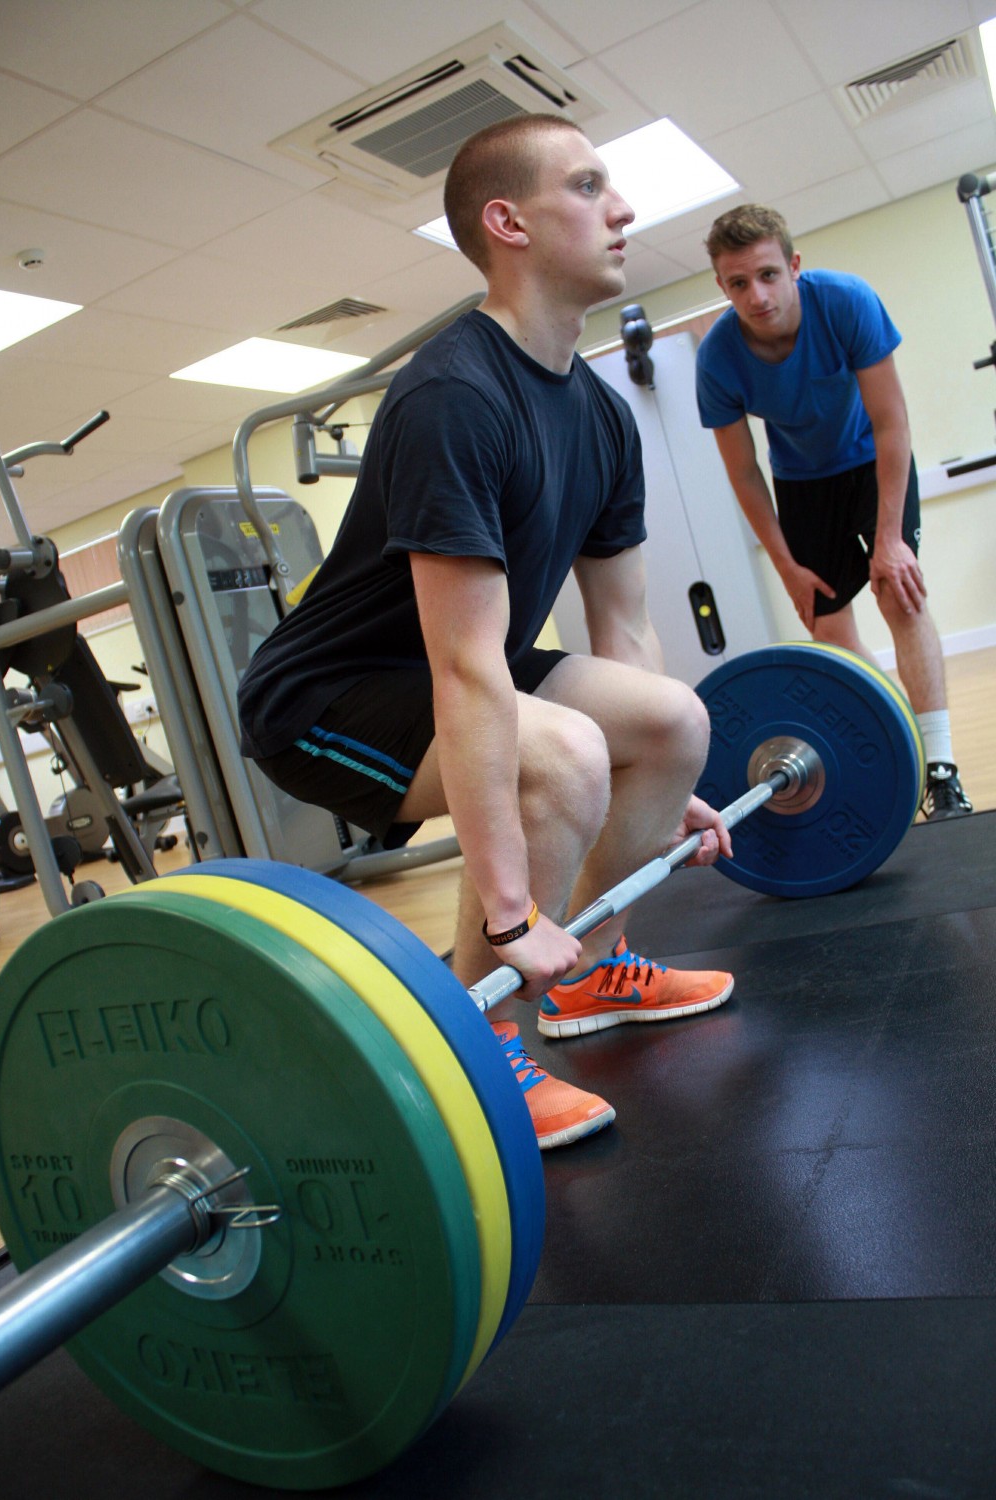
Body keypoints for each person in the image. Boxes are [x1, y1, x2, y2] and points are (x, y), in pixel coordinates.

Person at [238, 114, 735, 1152]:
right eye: (588, 186)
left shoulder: (600, 416)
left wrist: (657, 779)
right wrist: (510, 913)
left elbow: (623, 625)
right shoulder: (452, 396)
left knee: (674, 721)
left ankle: (592, 975)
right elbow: (467, 670)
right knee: (558, 755)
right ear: (508, 222)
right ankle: (478, 1046)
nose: (623, 209)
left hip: (462, 670)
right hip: (327, 698)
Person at [696, 203, 972, 822]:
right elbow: (744, 471)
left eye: (768, 275)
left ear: (794, 266)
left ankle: (942, 770)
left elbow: (892, 422)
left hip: (874, 459)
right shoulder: (717, 358)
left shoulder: (846, 301)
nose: (757, 295)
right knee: (829, 630)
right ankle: (905, 741)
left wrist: (890, 541)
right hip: (801, 483)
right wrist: (787, 567)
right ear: (722, 286)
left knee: (900, 593)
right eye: (738, 283)